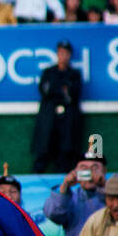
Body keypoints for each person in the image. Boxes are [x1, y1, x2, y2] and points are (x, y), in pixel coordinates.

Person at [31, 39, 84, 172]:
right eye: (61, 53)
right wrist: (60, 90)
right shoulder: (48, 72)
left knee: (66, 153)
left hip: (66, 120)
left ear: (70, 55)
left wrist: (62, 92)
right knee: (43, 152)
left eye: (66, 53)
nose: (63, 56)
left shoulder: (74, 74)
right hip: (49, 119)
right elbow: (45, 91)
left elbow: (72, 94)